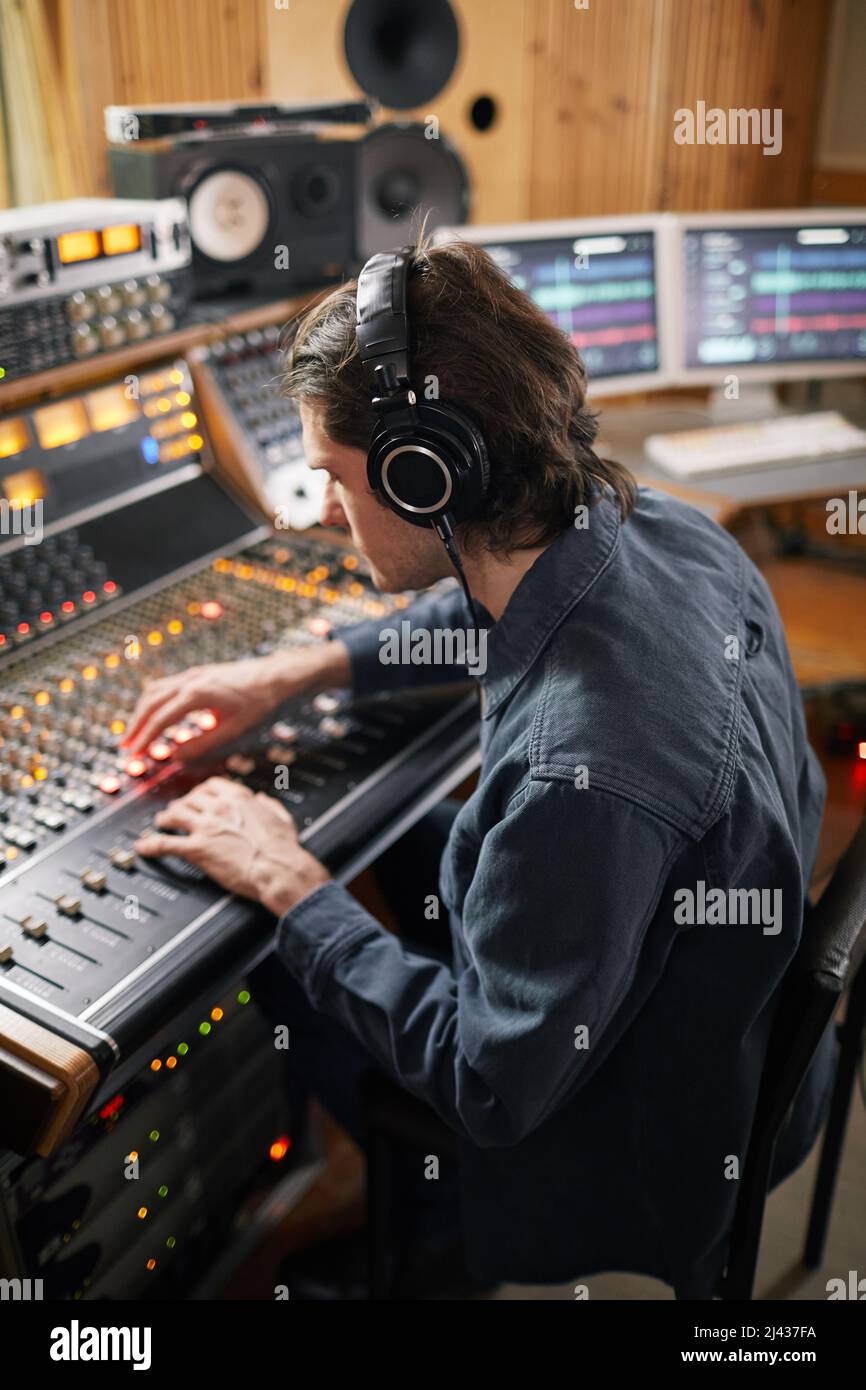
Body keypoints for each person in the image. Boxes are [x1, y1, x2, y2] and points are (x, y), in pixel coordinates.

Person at [125, 234, 836, 1299]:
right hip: (719, 1012)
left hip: (623, 1129)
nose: (323, 507)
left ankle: (428, 1245)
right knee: (362, 854)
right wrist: (295, 671)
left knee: (267, 942)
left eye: (332, 475)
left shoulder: (578, 780)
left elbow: (491, 1079)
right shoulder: (662, 529)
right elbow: (509, 623)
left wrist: (285, 880)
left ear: (423, 474)